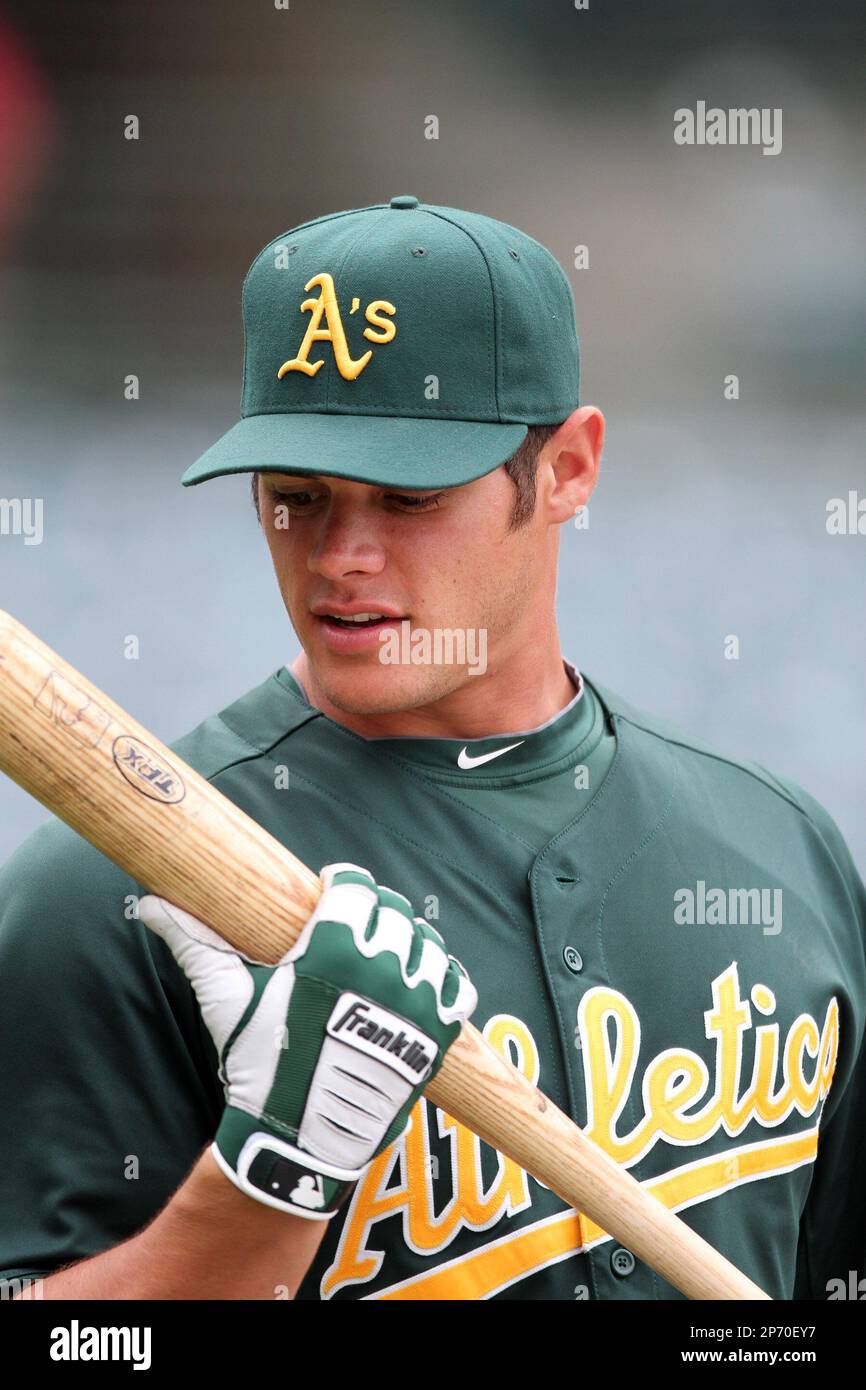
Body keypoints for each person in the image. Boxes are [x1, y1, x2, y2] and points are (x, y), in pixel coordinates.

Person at [1, 196, 863, 1302]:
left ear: (565, 470)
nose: (341, 556)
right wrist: (267, 1181)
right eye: (296, 496)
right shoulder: (115, 894)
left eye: (409, 497)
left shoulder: (777, 848)